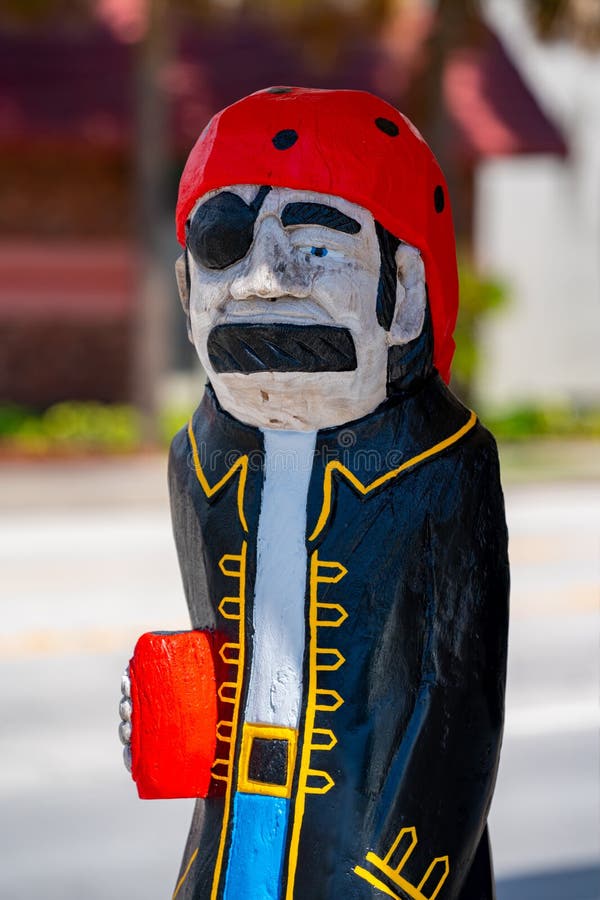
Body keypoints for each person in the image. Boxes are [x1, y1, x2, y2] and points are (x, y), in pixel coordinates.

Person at [128, 87, 509, 900]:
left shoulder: (443, 468)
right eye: (224, 244)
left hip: (376, 854)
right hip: (231, 838)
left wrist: (403, 872)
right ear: (186, 284)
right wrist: (172, 714)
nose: (263, 280)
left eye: (316, 246)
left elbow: (457, 697)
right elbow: (224, 653)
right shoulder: (195, 466)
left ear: (403, 293)